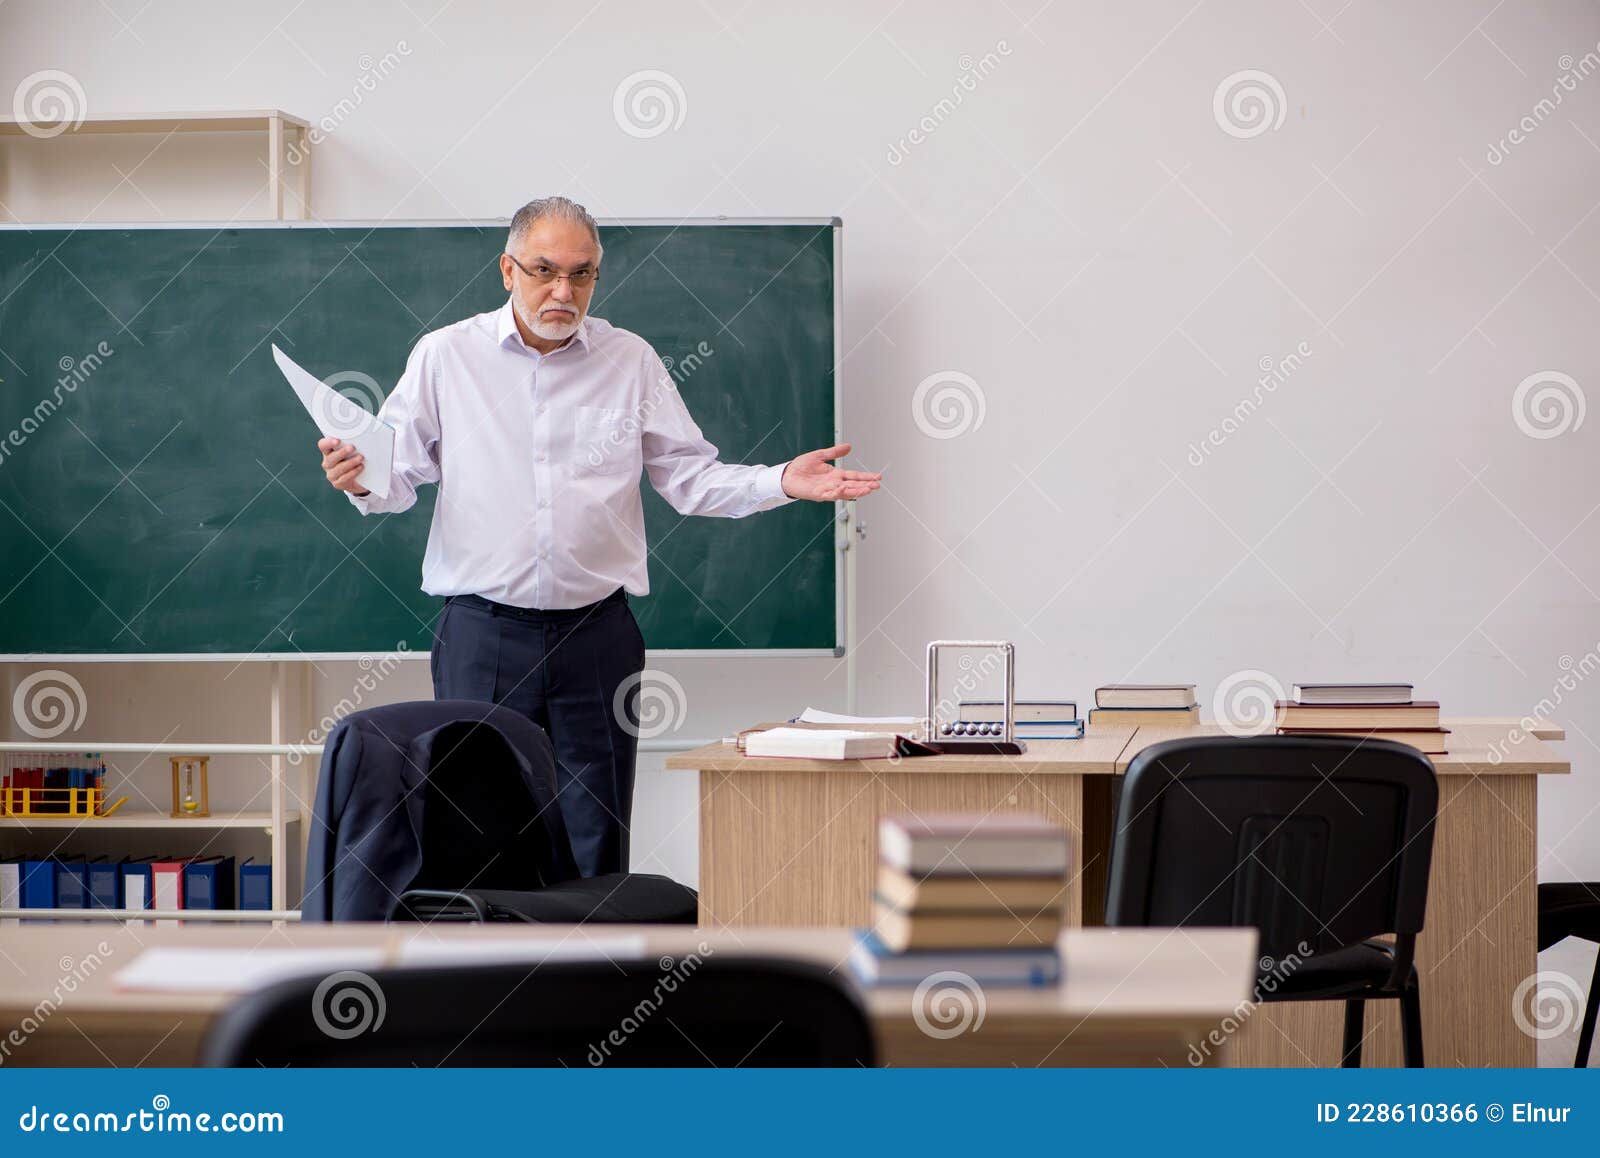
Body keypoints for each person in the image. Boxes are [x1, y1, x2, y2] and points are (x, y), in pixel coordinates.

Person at [317, 195, 880, 876]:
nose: (563, 290)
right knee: (478, 830)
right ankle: (498, 981)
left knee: (598, 836)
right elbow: (398, 476)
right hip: (481, 636)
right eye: (544, 270)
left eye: (581, 274)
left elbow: (688, 478)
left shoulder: (630, 360)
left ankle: (599, 977)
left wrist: (781, 480)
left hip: (597, 638)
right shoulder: (445, 357)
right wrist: (359, 480)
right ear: (507, 271)